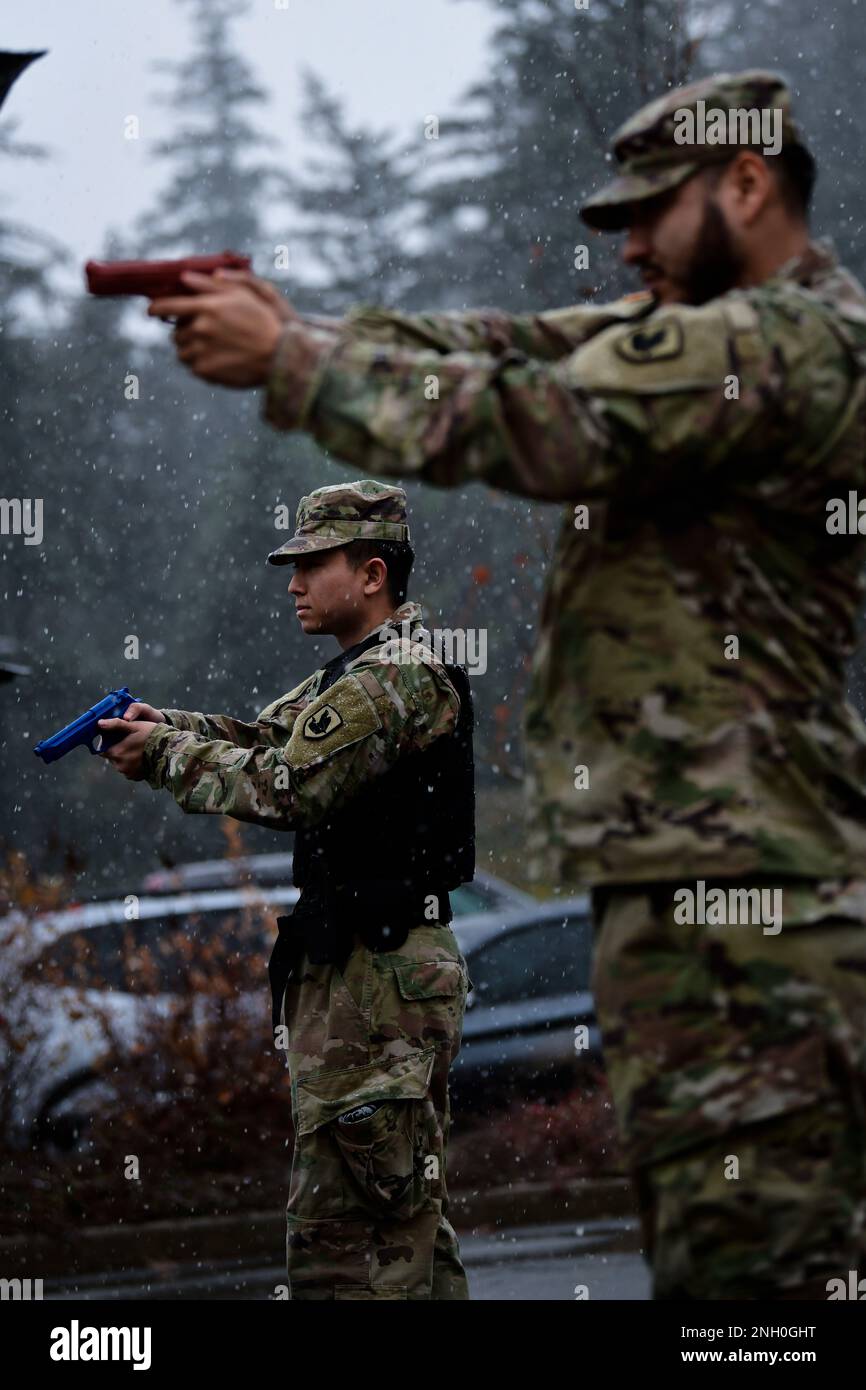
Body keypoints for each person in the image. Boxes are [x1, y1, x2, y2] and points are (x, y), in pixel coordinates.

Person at [147, 69, 866, 1300]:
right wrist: (295, 325)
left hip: (754, 900)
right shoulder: (695, 336)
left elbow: (533, 415)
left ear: (747, 181)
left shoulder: (784, 345)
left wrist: (292, 365)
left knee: (764, 1289)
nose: (628, 244)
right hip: (699, 888)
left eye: (649, 209)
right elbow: (497, 345)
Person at [99, 480, 475, 1301]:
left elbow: (286, 786)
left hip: (381, 978)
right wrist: (173, 727)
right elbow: (272, 742)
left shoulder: (396, 681)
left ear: (372, 573)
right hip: (358, 971)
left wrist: (163, 756)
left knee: (361, 1239)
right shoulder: (360, 675)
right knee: (384, 1225)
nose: (294, 584)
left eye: (313, 564)